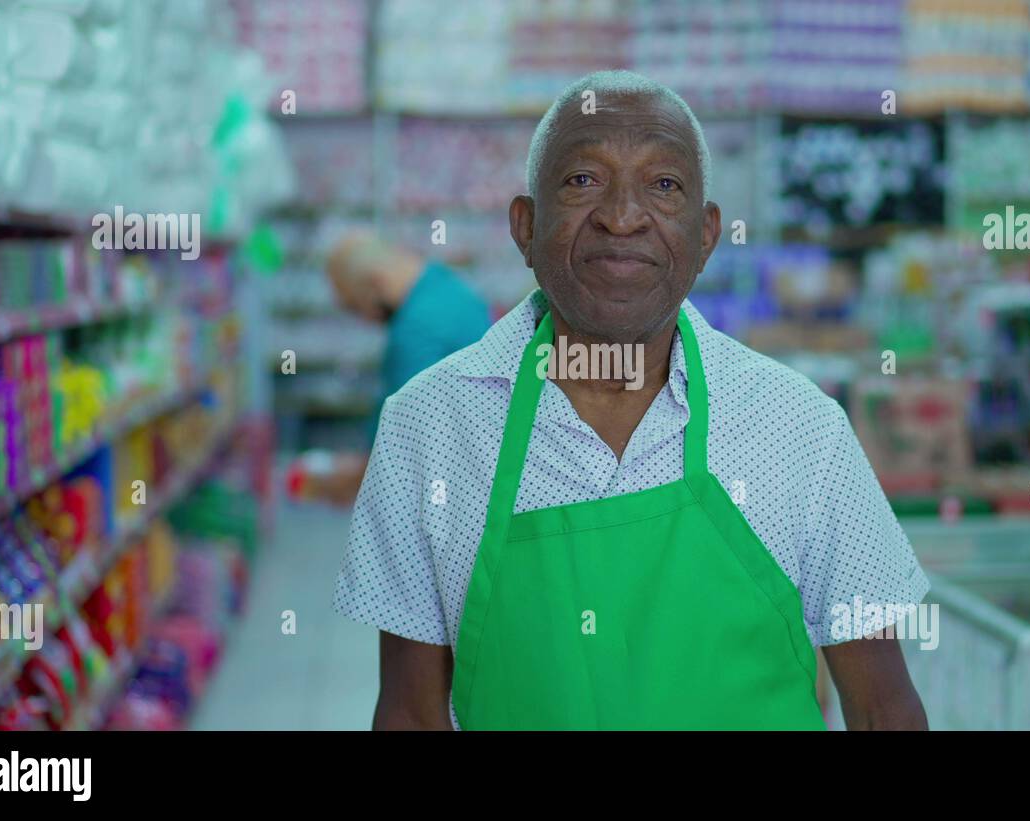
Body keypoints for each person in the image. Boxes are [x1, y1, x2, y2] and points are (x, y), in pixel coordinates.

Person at [334, 70, 930, 730]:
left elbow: (884, 708)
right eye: (583, 181)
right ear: (525, 227)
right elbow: (410, 715)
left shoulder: (799, 426)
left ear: (706, 236)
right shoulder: (427, 428)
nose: (622, 216)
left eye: (663, 185)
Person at [304, 231, 492, 506]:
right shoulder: (446, 284)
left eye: (356, 306)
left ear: (375, 284)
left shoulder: (414, 331)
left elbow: (402, 444)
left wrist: (341, 483)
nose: (365, 320)